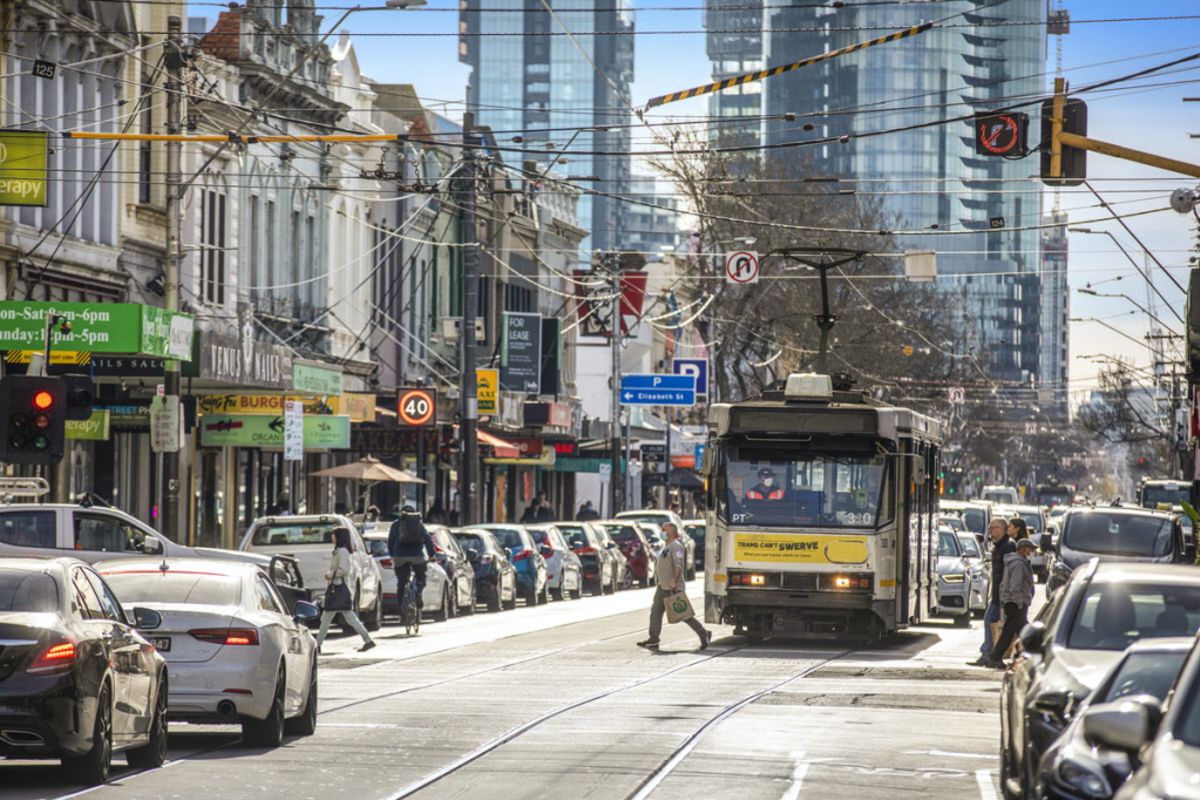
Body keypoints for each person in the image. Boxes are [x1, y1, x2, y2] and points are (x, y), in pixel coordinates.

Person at [637, 522, 712, 650]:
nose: (661, 532)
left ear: (671, 532)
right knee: (655, 612)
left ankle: (703, 633)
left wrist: (674, 580)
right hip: (662, 587)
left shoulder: (677, 547)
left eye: (664, 529)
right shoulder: (666, 546)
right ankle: (654, 638)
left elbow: (679, 565)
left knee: (683, 615)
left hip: (673, 587)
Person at [315, 528, 375, 653]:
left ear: (339, 537)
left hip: (338, 589)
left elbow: (344, 569)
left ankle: (317, 645)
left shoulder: (342, 551)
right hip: (339, 588)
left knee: (330, 618)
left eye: (334, 535)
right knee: (339, 617)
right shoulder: (340, 551)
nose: (332, 537)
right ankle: (368, 640)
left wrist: (330, 574)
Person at [971, 517, 1016, 666]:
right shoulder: (1000, 545)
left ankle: (989, 654)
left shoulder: (1008, 546)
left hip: (1002, 594)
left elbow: (1009, 572)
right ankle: (989, 653)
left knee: (992, 621)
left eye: (992, 528)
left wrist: (1005, 592)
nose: (990, 531)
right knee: (991, 622)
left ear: (1001, 529)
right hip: (997, 593)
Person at [985, 538, 1037, 668]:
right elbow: (1015, 584)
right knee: (1023, 631)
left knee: (1012, 631)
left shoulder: (1017, 562)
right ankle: (1035, 654)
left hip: (1013, 601)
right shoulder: (1019, 564)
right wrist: (1019, 602)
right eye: (1030, 549)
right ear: (1023, 550)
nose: (1032, 552)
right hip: (1016, 602)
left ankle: (996, 657)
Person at [388, 504, 436, 611]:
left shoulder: (396, 524)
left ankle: (401, 609)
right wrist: (432, 554)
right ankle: (418, 592)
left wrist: (392, 555)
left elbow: (390, 542)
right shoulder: (419, 524)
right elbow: (428, 539)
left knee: (401, 582)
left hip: (400, 557)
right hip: (417, 557)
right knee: (421, 575)